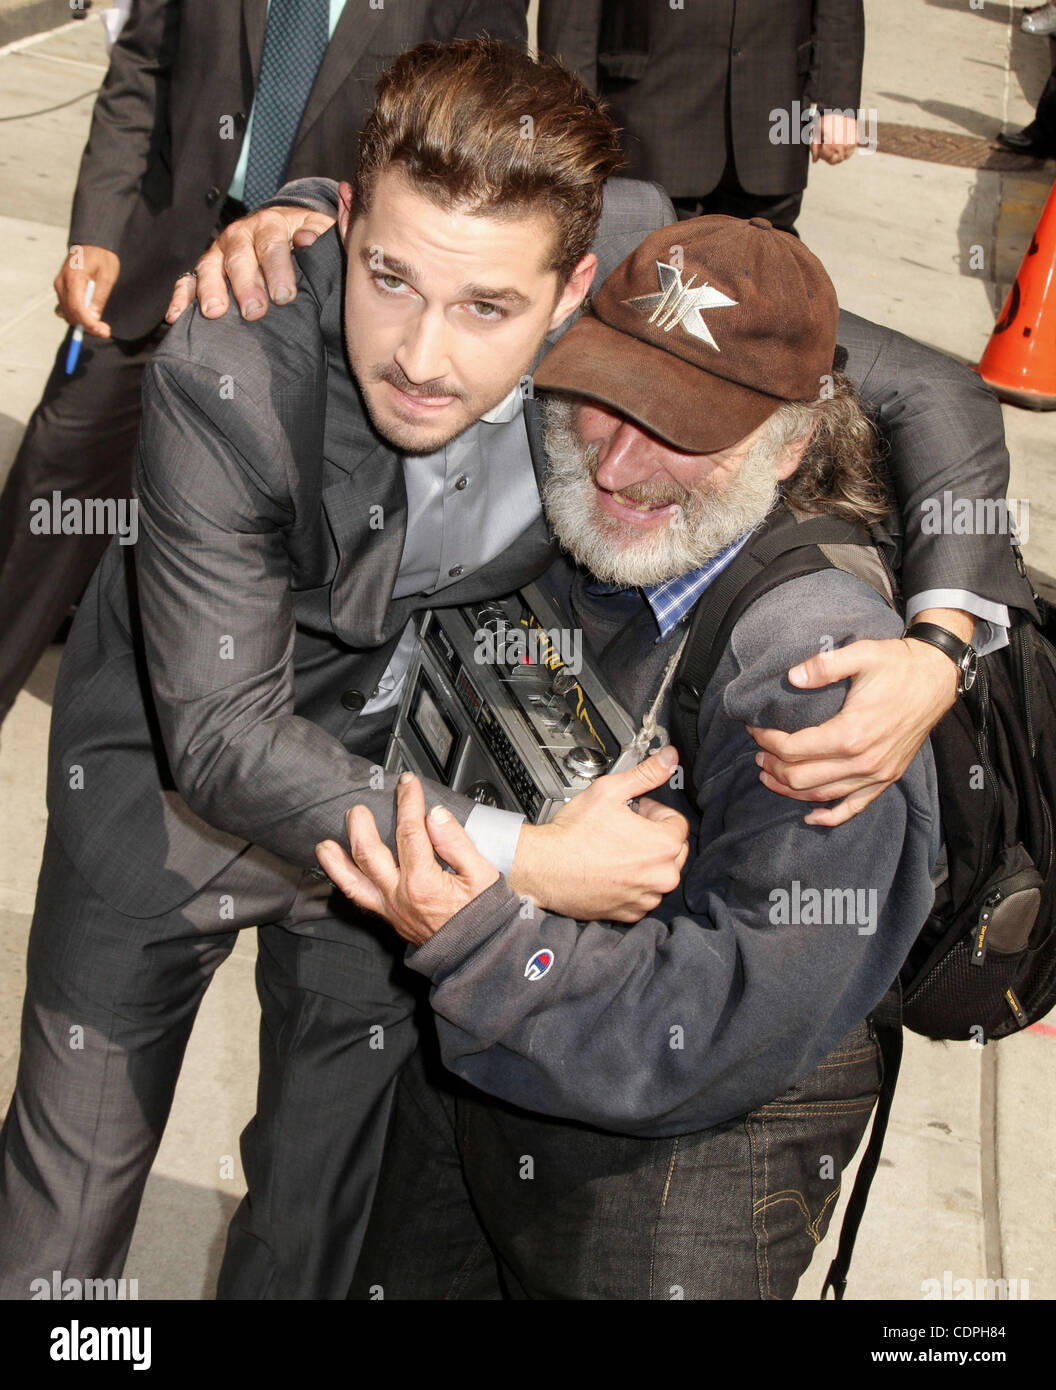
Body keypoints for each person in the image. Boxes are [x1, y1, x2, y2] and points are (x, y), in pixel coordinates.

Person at [0, 38, 687, 1302]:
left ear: (575, 285)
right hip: (160, 798)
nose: (423, 353)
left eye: (487, 307)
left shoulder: (636, 252)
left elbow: (910, 386)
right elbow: (220, 739)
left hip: (389, 808)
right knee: (62, 1245)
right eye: (389, 278)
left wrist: (937, 637)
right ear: (348, 224)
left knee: (316, 1232)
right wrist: (524, 860)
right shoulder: (226, 363)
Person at [319, 215, 942, 1300]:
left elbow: (738, 1009)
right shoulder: (583, 515)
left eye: (681, 430)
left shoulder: (818, 675)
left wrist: (481, 945)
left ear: (792, 445)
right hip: (488, 1067)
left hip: (677, 1172)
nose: (615, 462)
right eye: (602, 398)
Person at [0, 0, 528, 728]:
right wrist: (99, 225)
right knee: (50, 489)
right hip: (154, 259)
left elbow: (483, 131)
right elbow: (144, 68)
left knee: (246, 539)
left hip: (303, 295)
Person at [537, 0, 864, 232]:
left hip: (771, 113)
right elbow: (573, 13)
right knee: (644, 290)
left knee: (762, 298)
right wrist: (571, 112)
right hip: (648, 119)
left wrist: (835, 103)